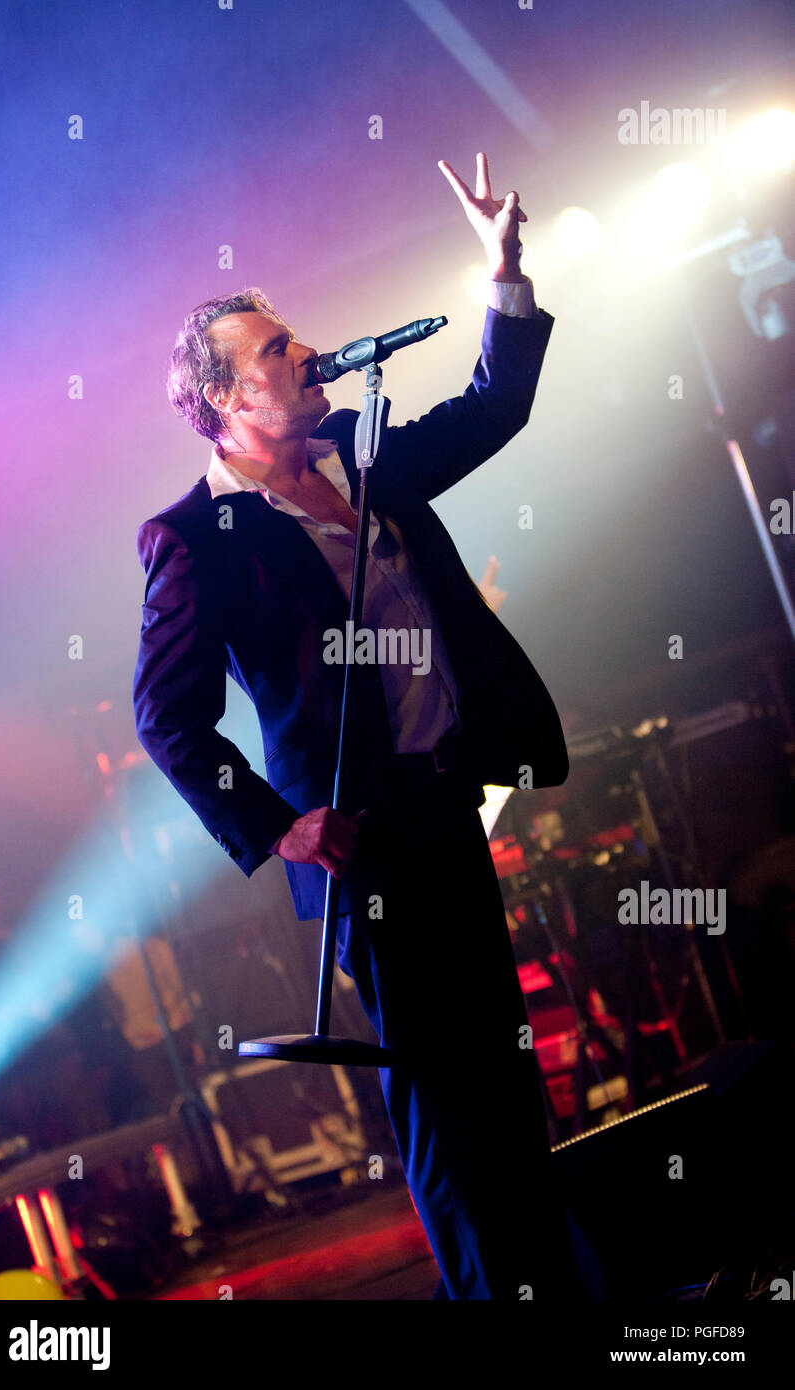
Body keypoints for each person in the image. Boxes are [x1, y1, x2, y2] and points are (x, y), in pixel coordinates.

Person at [133, 153, 583, 1299]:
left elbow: (496, 407)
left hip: (444, 802)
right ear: (226, 400)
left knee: (498, 1069)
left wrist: (503, 273)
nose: (306, 350)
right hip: (359, 846)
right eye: (276, 350)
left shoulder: (356, 455)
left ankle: (554, 1290)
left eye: (295, 335)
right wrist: (278, 826)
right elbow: (167, 720)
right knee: (439, 1093)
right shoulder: (197, 536)